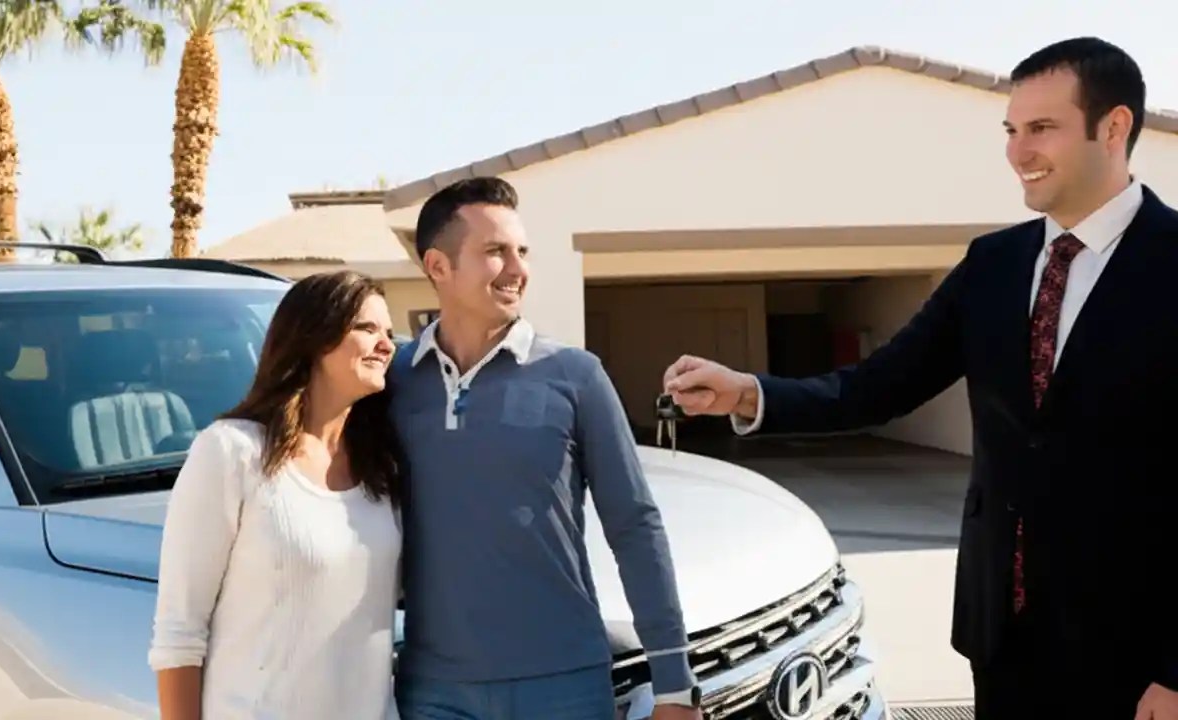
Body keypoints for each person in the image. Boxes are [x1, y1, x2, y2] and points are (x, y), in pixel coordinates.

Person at [661, 36, 1178, 720]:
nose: (1018, 153)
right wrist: (748, 391)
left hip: (1135, 658)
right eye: (1011, 131)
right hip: (1001, 639)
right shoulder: (992, 265)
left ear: (1113, 128)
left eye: (1042, 129)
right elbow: (879, 385)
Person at [385, 176, 702, 720]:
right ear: (438, 267)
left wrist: (674, 682)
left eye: (522, 251)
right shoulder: (391, 381)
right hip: (432, 689)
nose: (517, 269)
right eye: (494, 252)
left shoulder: (576, 376)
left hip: (563, 686)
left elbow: (634, 524)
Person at [148, 271, 404, 720]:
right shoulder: (232, 451)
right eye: (367, 328)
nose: (386, 344)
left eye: (388, 332)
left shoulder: (381, 471)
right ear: (314, 336)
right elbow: (179, 635)